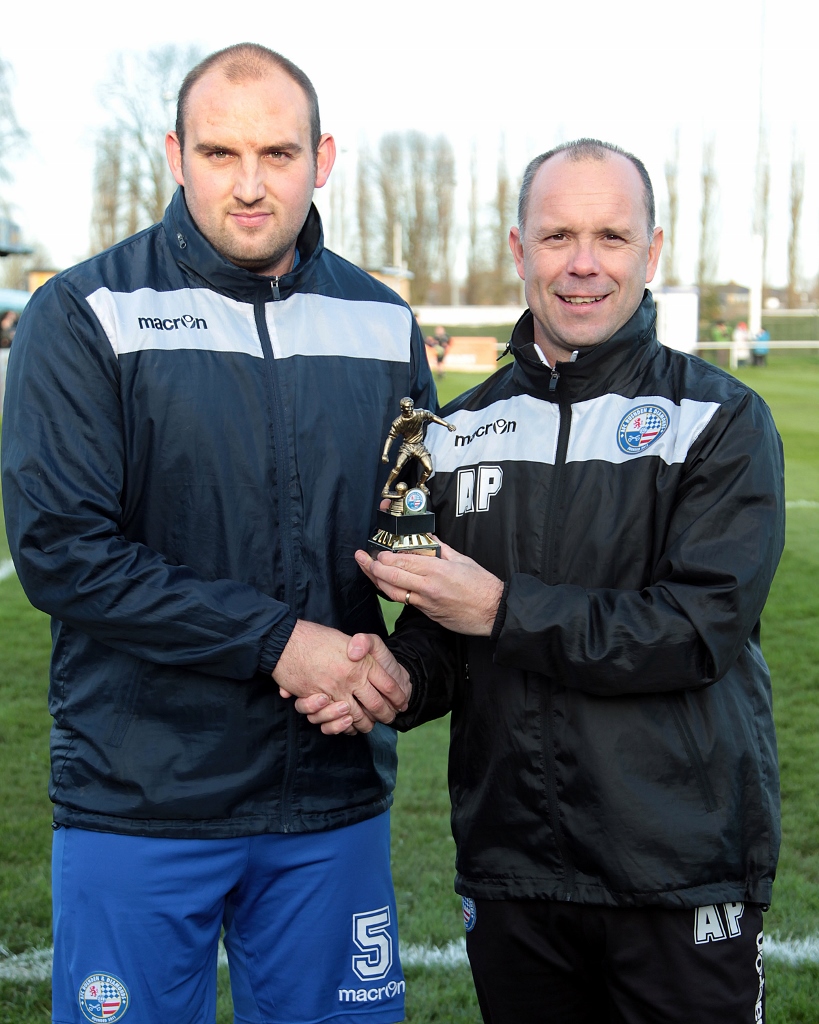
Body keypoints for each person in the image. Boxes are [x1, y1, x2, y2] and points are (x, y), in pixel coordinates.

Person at [302, 140, 785, 1023]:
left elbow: (696, 628)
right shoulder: (456, 430)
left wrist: (499, 607)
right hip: (513, 863)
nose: (584, 263)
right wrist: (398, 675)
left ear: (652, 250)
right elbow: (449, 635)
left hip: (676, 868)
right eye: (558, 234)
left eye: (610, 234)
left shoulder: (718, 418)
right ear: (520, 251)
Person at [2, 43, 426, 1024]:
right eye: (219, 153)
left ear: (321, 160)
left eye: (275, 154)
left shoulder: (383, 323)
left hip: (329, 798)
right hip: (141, 798)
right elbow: (66, 552)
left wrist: (417, 666)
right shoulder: (85, 314)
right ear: (174, 154)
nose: (247, 184)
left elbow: (413, 537)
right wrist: (282, 642)